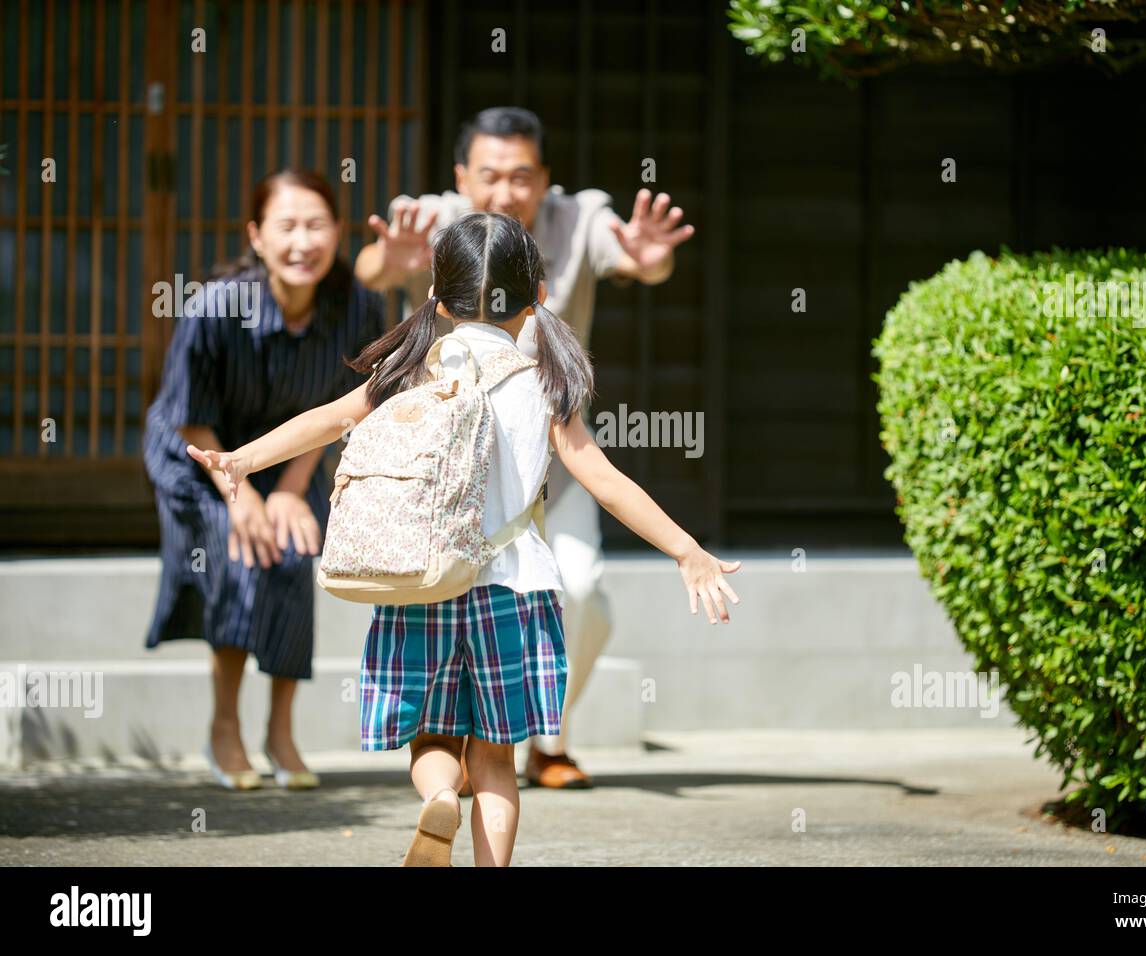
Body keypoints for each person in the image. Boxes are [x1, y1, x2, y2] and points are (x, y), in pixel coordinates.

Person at [186, 212, 740, 866]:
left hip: (423, 582)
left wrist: (244, 458)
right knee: (497, 760)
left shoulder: (409, 367)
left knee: (432, 742)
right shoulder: (545, 380)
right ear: (537, 296)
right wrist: (686, 549)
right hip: (514, 590)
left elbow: (330, 419)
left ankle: (438, 798)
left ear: (436, 297)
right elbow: (604, 480)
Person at [355, 106, 695, 789]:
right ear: (461, 177)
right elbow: (370, 265)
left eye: (522, 177)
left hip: (550, 458)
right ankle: (456, 741)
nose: (506, 193)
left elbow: (632, 254)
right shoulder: (435, 216)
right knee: (440, 599)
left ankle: (547, 738)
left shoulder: (579, 217)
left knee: (586, 591)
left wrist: (651, 262)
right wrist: (384, 260)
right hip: (451, 469)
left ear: (546, 180)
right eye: (489, 176)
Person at [143, 169, 385, 791]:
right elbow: (189, 418)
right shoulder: (216, 307)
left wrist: (285, 491)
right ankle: (225, 728)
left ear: (337, 232)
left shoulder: (358, 306)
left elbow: (339, 409)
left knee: (294, 554)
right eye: (287, 227)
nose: (303, 242)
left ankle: (281, 730)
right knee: (238, 552)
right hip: (200, 455)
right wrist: (241, 494)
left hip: (289, 459)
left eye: (317, 225)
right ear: (257, 235)